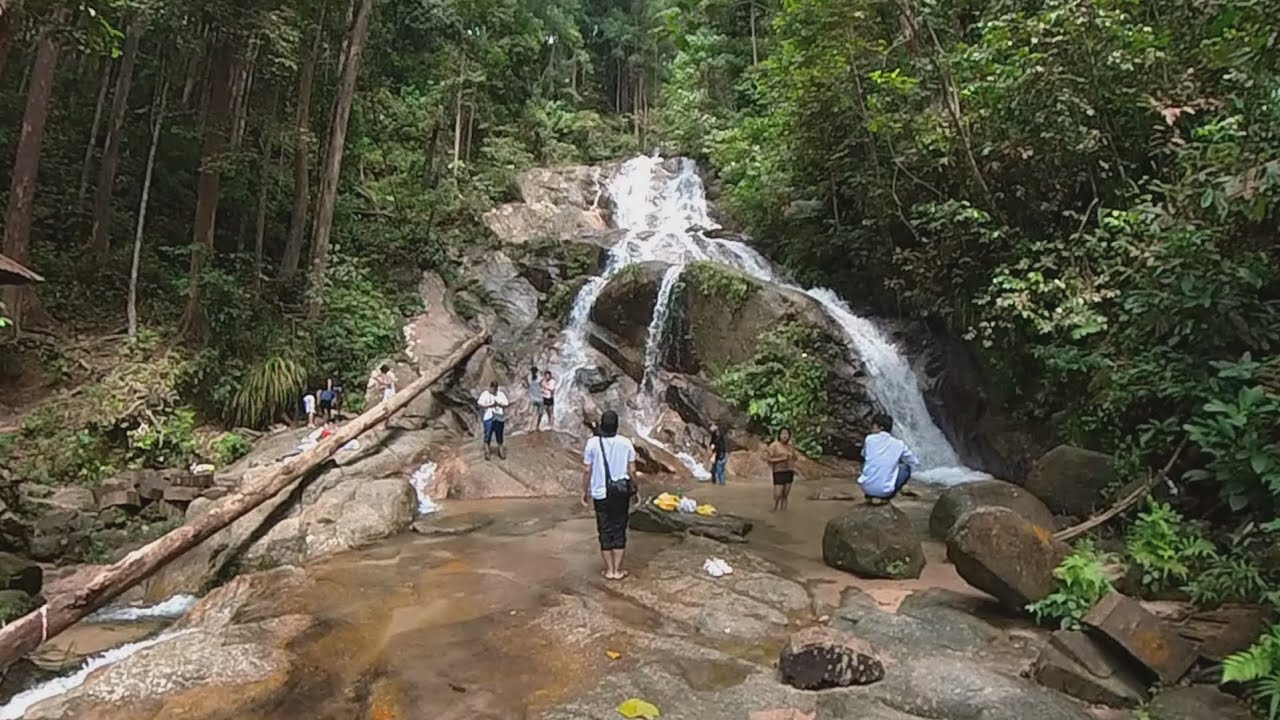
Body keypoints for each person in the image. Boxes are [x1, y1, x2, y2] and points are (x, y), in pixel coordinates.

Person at [581, 410, 638, 581]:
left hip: (600, 493)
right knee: (619, 529)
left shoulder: (592, 443)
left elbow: (587, 470)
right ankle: (618, 570)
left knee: (604, 530)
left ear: (602, 426)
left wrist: (584, 492)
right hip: (621, 493)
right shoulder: (626, 443)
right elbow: (633, 471)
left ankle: (609, 570)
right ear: (617, 426)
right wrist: (635, 491)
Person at [858, 413, 920, 504]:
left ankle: (870, 495)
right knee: (906, 468)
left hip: (866, 488)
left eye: (873, 425)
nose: (872, 428)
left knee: (866, 463)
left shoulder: (869, 439)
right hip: (885, 491)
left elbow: (863, 454)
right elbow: (914, 461)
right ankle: (886, 497)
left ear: (881, 427)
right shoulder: (899, 444)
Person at [764, 427, 798, 511]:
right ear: (779, 435)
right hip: (778, 471)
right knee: (778, 494)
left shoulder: (790, 446)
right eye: (783, 433)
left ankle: (783, 512)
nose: (785, 436)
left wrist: (793, 455)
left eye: (786, 434)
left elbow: (795, 458)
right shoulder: (774, 445)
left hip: (789, 470)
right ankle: (774, 507)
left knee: (785, 494)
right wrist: (781, 459)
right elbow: (768, 459)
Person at [477, 381, 510, 460]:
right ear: (490, 387)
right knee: (488, 434)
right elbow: (479, 404)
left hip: (499, 417)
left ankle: (500, 450)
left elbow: (506, 403)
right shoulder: (485, 394)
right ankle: (487, 451)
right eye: (493, 388)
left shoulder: (500, 394)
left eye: (496, 388)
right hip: (489, 417)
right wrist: (489, 405)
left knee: (499, 434)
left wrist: (498, 404)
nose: (494, 390)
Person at [528, 366, 543, 431]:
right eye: (532, 371)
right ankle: (531, 427)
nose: (533, 372)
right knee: (532, 413)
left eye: (534, 371)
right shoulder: (529, 377)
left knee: (540, 413)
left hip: (540, 397)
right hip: (532, 397)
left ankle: (537, 426)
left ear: (536, 372)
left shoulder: (540, 378)